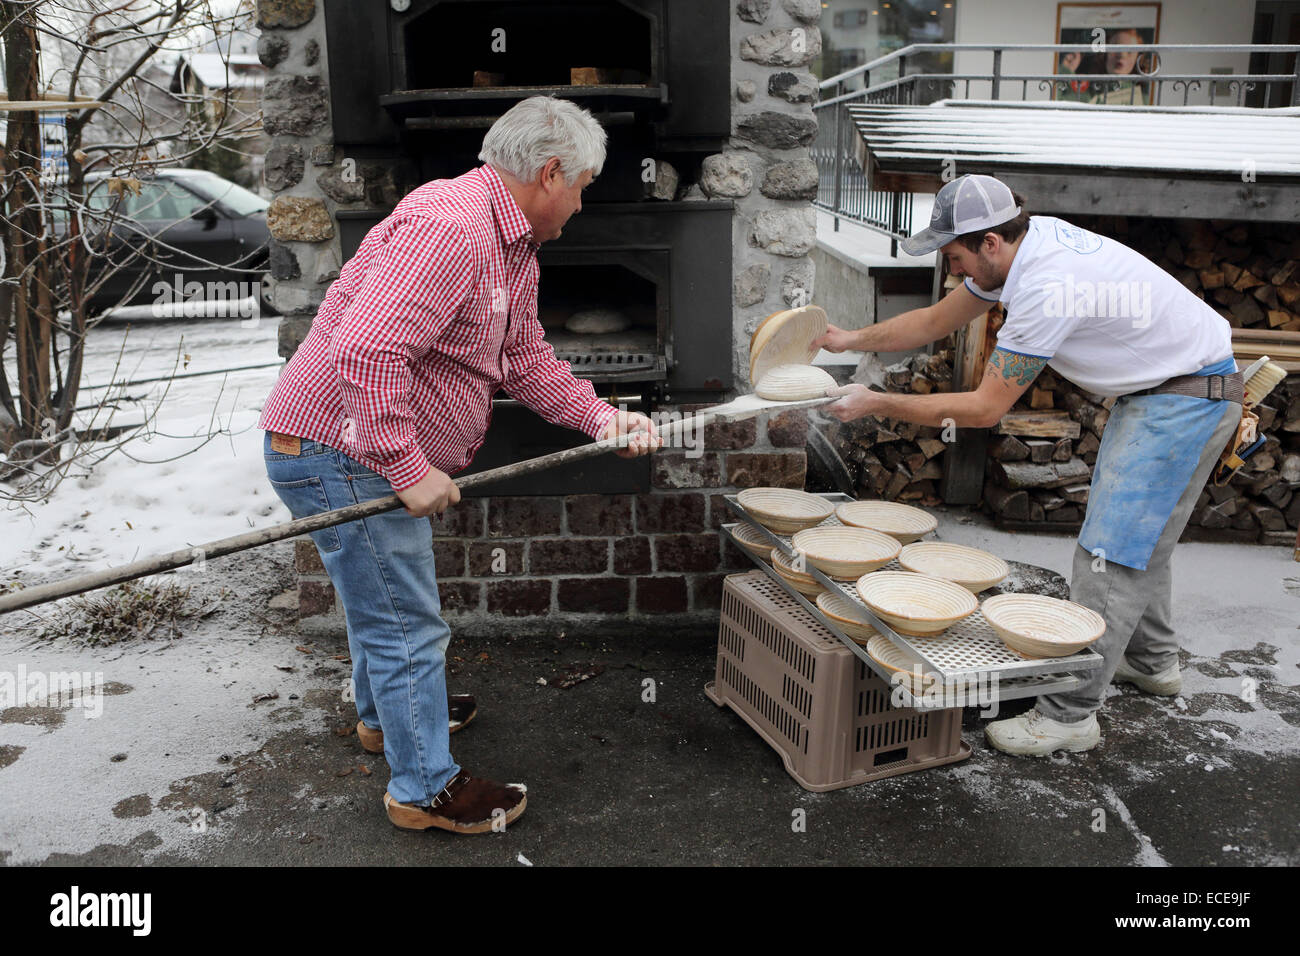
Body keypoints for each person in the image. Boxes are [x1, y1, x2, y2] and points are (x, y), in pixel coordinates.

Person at [257, 96, 660, 832]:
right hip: (338, 452)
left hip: (343, 448)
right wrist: (407, 468)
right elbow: (368, 351)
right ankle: (423, 789)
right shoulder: (452, 228)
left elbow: (523, 357)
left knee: (381, 604)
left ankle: (386, 722)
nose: (580, 202)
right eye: (583, 185)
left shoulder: (507, 243)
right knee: (409, 627)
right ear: (549, 173)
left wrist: (600, 416)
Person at [813, 174, 1241, 757]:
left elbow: (986, 408)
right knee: (1142, 542)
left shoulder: (1046, 286)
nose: (950, 269)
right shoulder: (1022, 246)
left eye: (954, 255)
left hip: (1183, 400)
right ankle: (1152, 664)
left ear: (990, 242)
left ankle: (1069, 717)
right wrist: (849, 339)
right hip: (1170, 389)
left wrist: (877, 402)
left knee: (1108, 556)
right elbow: (937, 320)